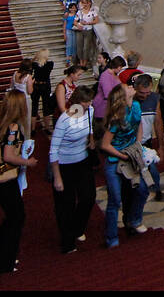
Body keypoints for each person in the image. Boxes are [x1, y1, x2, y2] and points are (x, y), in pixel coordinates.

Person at [0, 90, 37, 275]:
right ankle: (5, 261)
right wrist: (28, 162)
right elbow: (8, 155)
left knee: (11, 217)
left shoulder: (0, 123)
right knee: (16, 218)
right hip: (5, 178)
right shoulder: (13, 127)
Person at [100, 83, 149, 246]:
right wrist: (123, 155)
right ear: (123, 95)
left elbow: (139, 125)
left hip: (131, 155)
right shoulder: (117, 117)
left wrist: (138, 144)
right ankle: (111, 237)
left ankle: (134, 220)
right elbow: (105, 145)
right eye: (127, 87)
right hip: (115, 161)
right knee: (115, 198)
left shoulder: (135, 106)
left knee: (142, 190)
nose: (130, 86)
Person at [49, 86, 95, 254]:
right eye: (85, 101)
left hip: (82, 161)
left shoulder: (89, 110)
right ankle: (67, 241)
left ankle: (77, 227)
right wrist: (57, 177)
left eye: (90, 101)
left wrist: (90, 138)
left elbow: (89, 125)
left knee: (88, 198)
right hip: (64, 165)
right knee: (65, 205)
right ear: (76, 102)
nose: (88, 104)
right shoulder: (64, 120)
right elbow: (53, 150)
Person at [91, 54, 125, 138]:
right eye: (120, 67)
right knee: (101, 132)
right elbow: (107, 93)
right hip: (103, 107)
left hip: (110, 107)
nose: (120, 70)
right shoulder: (106, 75)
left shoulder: (114, 75)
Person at [31, 49, 55, 131]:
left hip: (36, 85)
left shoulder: (34, 64)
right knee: (46, 107)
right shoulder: (50, 64)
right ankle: (47, 128)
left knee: (34, 106)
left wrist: (35, 58)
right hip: (45, 86)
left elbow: (30, 63)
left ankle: (33, 128)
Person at [73, 0, 100, 66]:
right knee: (79, 46)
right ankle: (81, 61)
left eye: (85, 3)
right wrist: (78, 25)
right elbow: (75, 21)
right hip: (80, 30)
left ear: (89, 3)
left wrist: (88, 23)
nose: (84, 5)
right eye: (83, 3)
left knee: (86, 47)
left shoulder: (93, 12)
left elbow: (96, 20)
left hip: (88, 30)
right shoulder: (79, 12)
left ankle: (84, 62)